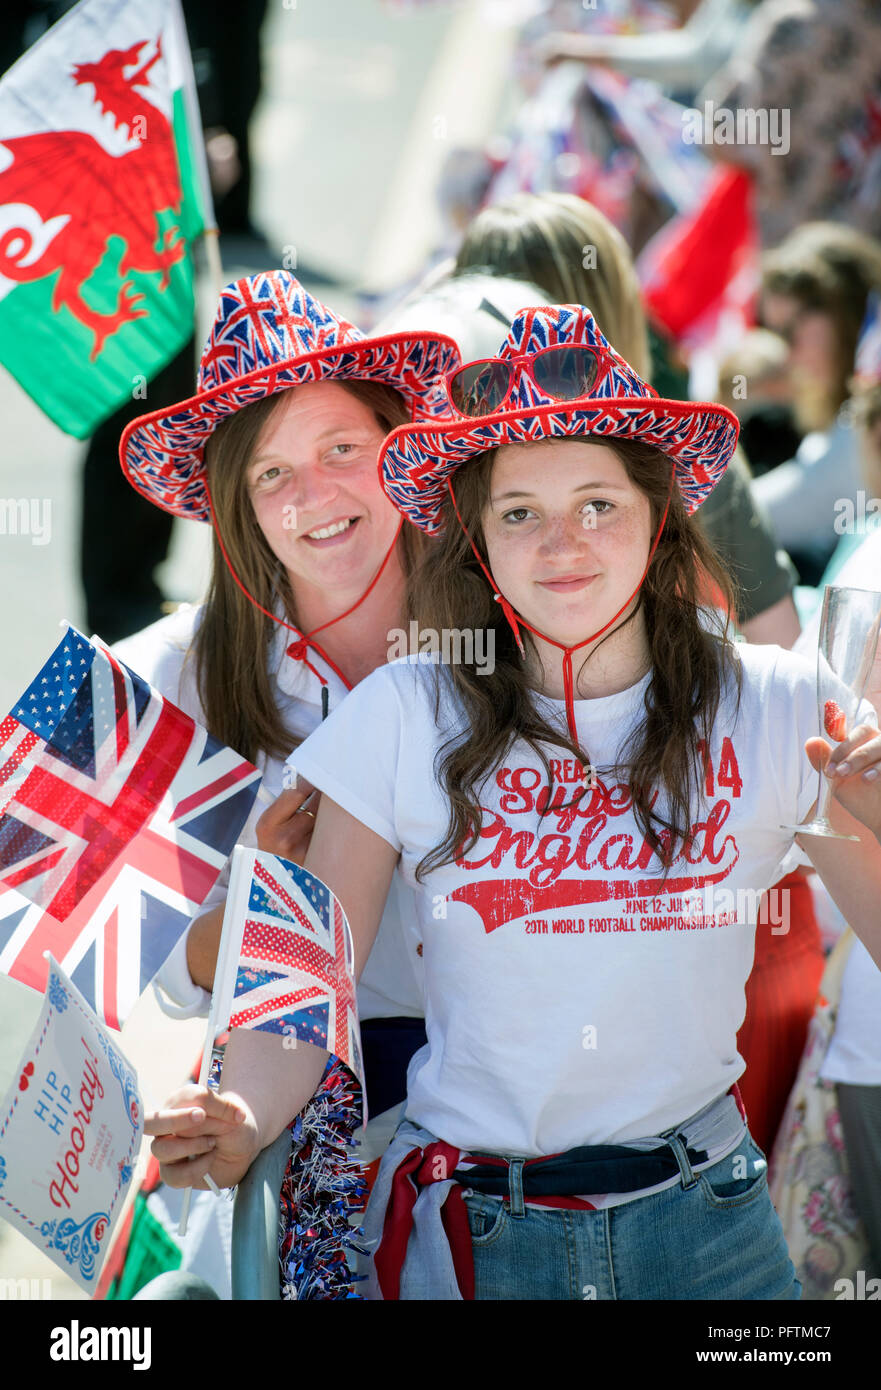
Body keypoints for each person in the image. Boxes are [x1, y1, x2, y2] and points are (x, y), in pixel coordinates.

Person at [147, 303, 881, 1300]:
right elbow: (305, 979)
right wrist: (240, 1112)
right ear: (479, 541)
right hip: (479, 1236)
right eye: (518, 513)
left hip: (712, 1224)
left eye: (596, 503)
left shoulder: (776, 702)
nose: (560, 544)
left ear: (655, 510)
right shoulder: (402, 711)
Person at [106, 268, 460, 1297]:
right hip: (271, 1147)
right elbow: (150, 979)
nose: (313, 497)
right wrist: (251, 890)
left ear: (398, 447)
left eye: (341, 450)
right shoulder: (157, 680)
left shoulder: (505, 636)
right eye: (269, 475)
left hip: (495, 1142)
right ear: (232, 505)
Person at [753, 223, 881, 586]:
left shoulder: (868, 421)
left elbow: (779, 511)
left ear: (841, 311)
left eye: (789, 332)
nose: (786, 356)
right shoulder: (844, 410)